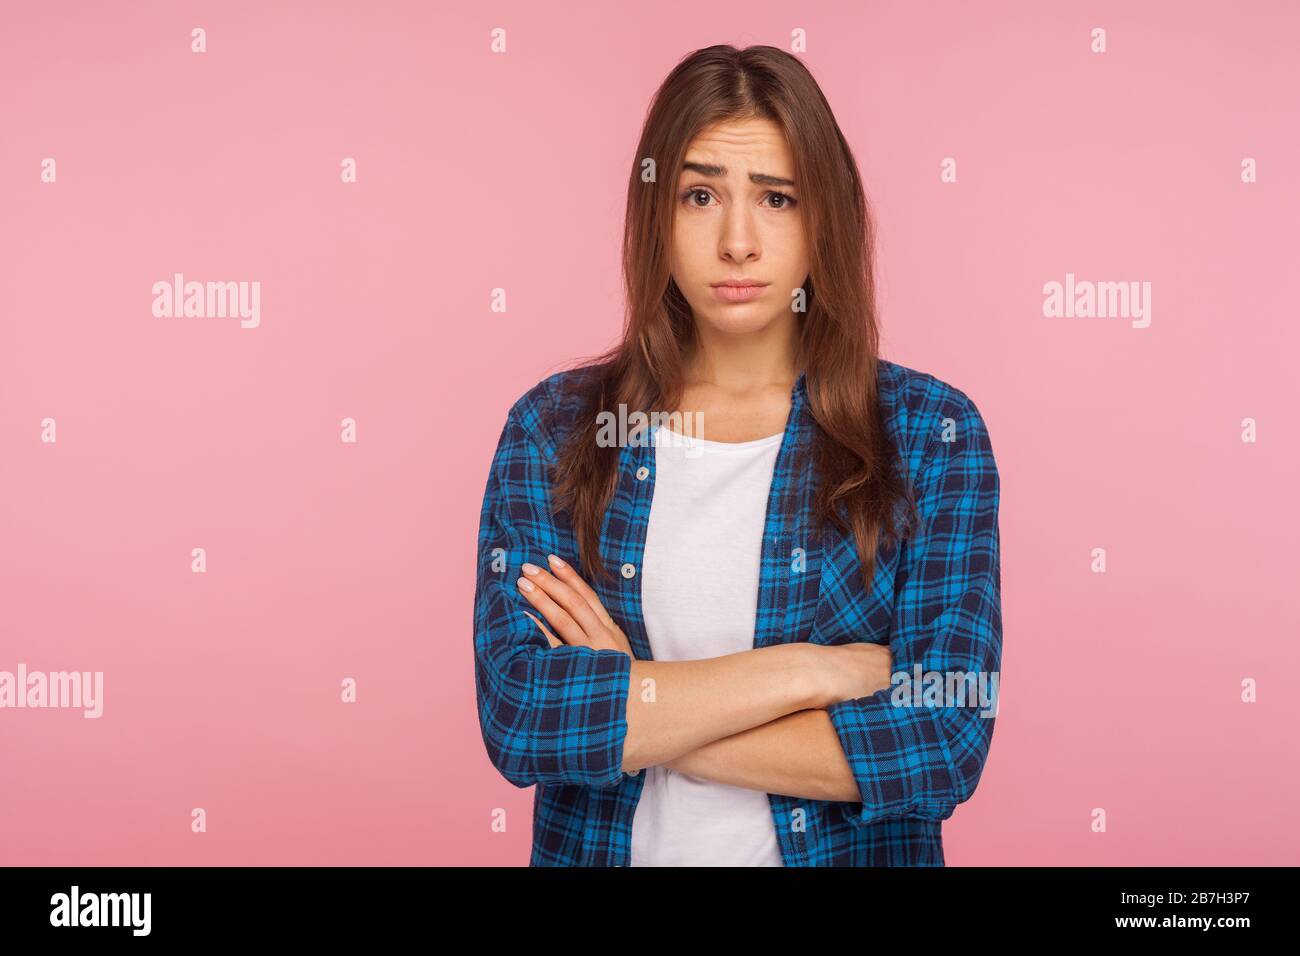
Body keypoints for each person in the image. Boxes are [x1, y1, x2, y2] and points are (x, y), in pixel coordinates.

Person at [471, 44, 1002, 866]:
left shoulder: (929, 434)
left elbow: (939, 739)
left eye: (777, 197)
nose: (738, 242)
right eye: (700, 194)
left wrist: (632, 700)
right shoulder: (556, 431)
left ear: (825, 215)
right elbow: (522, 717)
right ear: (656, 213)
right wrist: (810, 673)